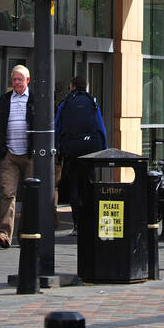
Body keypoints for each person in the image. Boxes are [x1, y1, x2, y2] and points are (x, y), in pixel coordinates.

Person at [0, 65, 34, 249]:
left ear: (27, 80)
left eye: (19, 80)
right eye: (13, 79)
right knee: (7, 193)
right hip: (10, 154)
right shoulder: (4, 100)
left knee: (31, 194)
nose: (16, 83)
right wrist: (2, 148)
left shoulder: (35, 100)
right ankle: (4, 233)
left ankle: (27, 233)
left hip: (30, 155)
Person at [54, 76, 107, 232]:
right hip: (91, 150)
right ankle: (89, 222)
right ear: (86, 86)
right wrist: (104, 148)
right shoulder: (92, 102)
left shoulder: (66, 103)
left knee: (74, 187)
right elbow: (100, 126)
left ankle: (77, 224)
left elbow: (57, 126)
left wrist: (57, 146)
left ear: (72, 86)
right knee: (89, 185)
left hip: (72, 151)